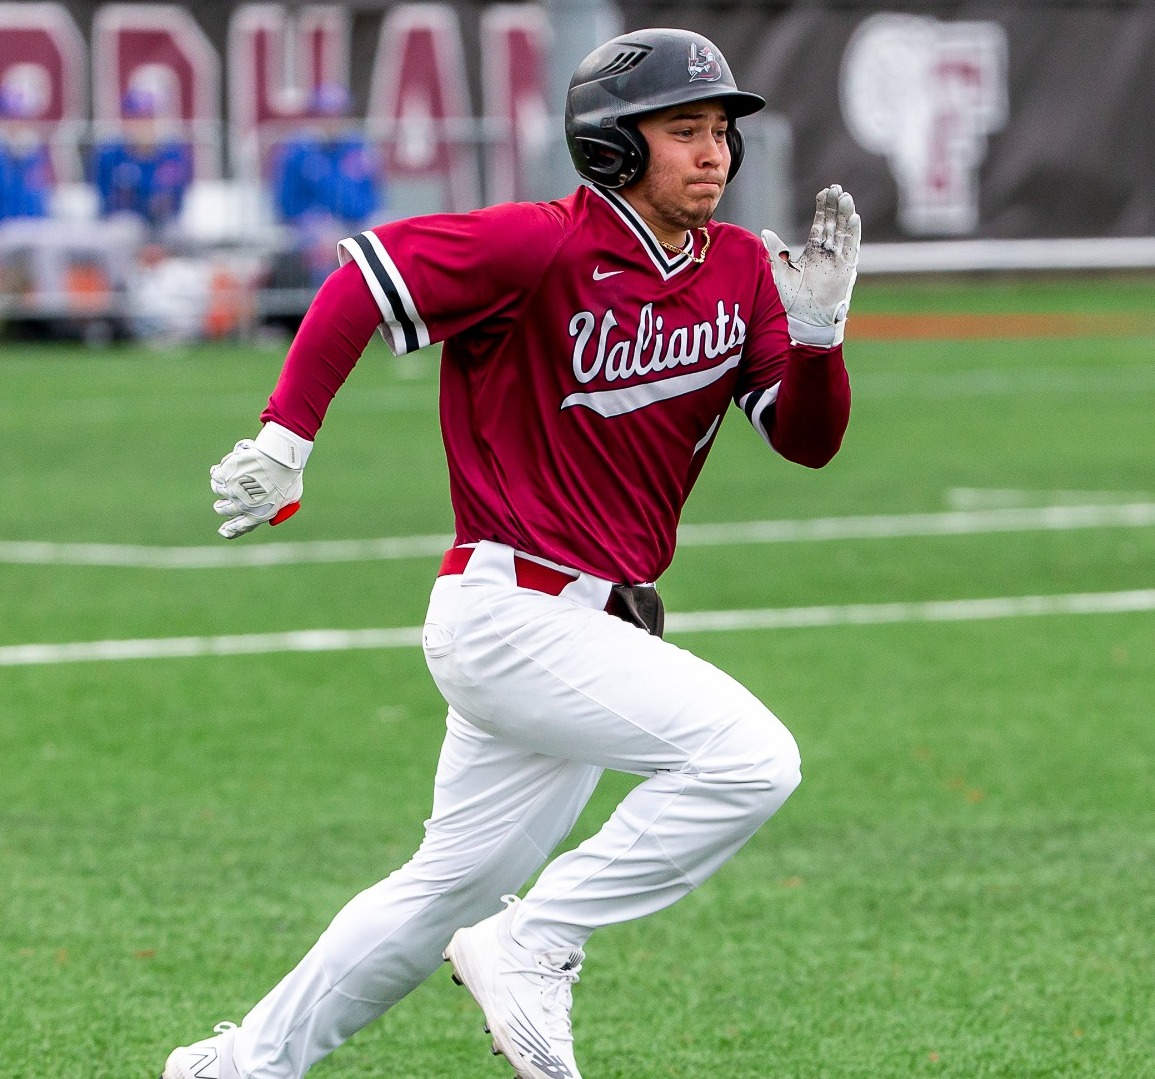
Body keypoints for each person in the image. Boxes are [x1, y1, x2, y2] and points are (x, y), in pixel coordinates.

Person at [169, 28, 860, 1079]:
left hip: (595, 624)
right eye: (685, 130)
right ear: (614, 148)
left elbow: (806, 441)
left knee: (442, 888)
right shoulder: (537, 244)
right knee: (749, 758)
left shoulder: (738, 270)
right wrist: (284, 437)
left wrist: (817, 342)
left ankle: (238, 1067)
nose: (714, 151)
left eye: (721, 129)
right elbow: (365, 277)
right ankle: (535, 942)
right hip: (509, 609)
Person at [0, 81, 142, 324]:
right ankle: (55, 319)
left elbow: (41, 205)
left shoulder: (32, 153)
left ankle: (119, 314)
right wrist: (11, 219)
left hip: (37, 232)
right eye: (13, 118)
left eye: (23, 119)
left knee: (88, 239)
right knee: (46, 241)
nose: (19, 125)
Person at [269, 83, 382, 286]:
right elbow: (286, 204)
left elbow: (372, 199)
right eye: (326, 115)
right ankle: (325, 307)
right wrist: (318, 220)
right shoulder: (296, 151)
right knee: (325, 242)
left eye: (338, 115)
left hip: (355, 223)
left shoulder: (358, 148)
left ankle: (384, 303)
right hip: (310, 227)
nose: (332, 122)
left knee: (386, 232)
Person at [93, 86, 193, 236]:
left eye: (148, 118)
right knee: (123, 229)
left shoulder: (173, 153)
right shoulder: (109, 153)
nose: (142, 125)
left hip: (164, 223)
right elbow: (106, 201)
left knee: (181, 234)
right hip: (124, 222)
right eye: (136, 118)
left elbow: (177, 198)